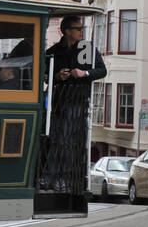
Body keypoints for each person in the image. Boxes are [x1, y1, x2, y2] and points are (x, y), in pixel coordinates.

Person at [41, 14, 106, 192]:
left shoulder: (88, 49)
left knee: (69, 141)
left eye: (82, 29)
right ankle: (51, 177)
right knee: (56, 139)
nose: (81, 32)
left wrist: (83, 74)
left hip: (77, 102)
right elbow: (41, 73)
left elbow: (102, 70)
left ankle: (62, 177)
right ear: (67, 31)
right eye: (78, 29)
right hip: (58, 102)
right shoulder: (53, 52)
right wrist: (56, 76)